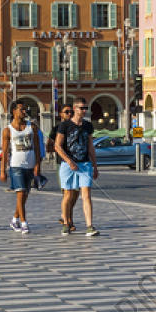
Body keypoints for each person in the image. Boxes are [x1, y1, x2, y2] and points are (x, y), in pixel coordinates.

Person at [55, 95, 100, 237]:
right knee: (68, 195)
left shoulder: (88, 125)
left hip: (85, 164)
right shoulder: (65, 125)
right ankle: (66, 223)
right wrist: (69, 161)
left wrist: (95, 165)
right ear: (75, 108)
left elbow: (90, 146)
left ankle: (89, 226)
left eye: (86, 108)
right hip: (68, 165)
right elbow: (57, 146)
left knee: (86, 195)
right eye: (82, 108)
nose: (84, 110)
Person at [0, 100, 43, 233]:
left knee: (25, 196)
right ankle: (24, 223)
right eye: (21, 109)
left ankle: (14, 219)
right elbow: (5, 152)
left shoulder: (32, 127)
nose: (24, 112)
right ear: (13, 111)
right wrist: (2, 171)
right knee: (21, 193)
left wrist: (38, 165)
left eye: (25, 109)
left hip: (30, 165)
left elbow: (36, 147)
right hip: (16, 166)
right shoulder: (7, 130)